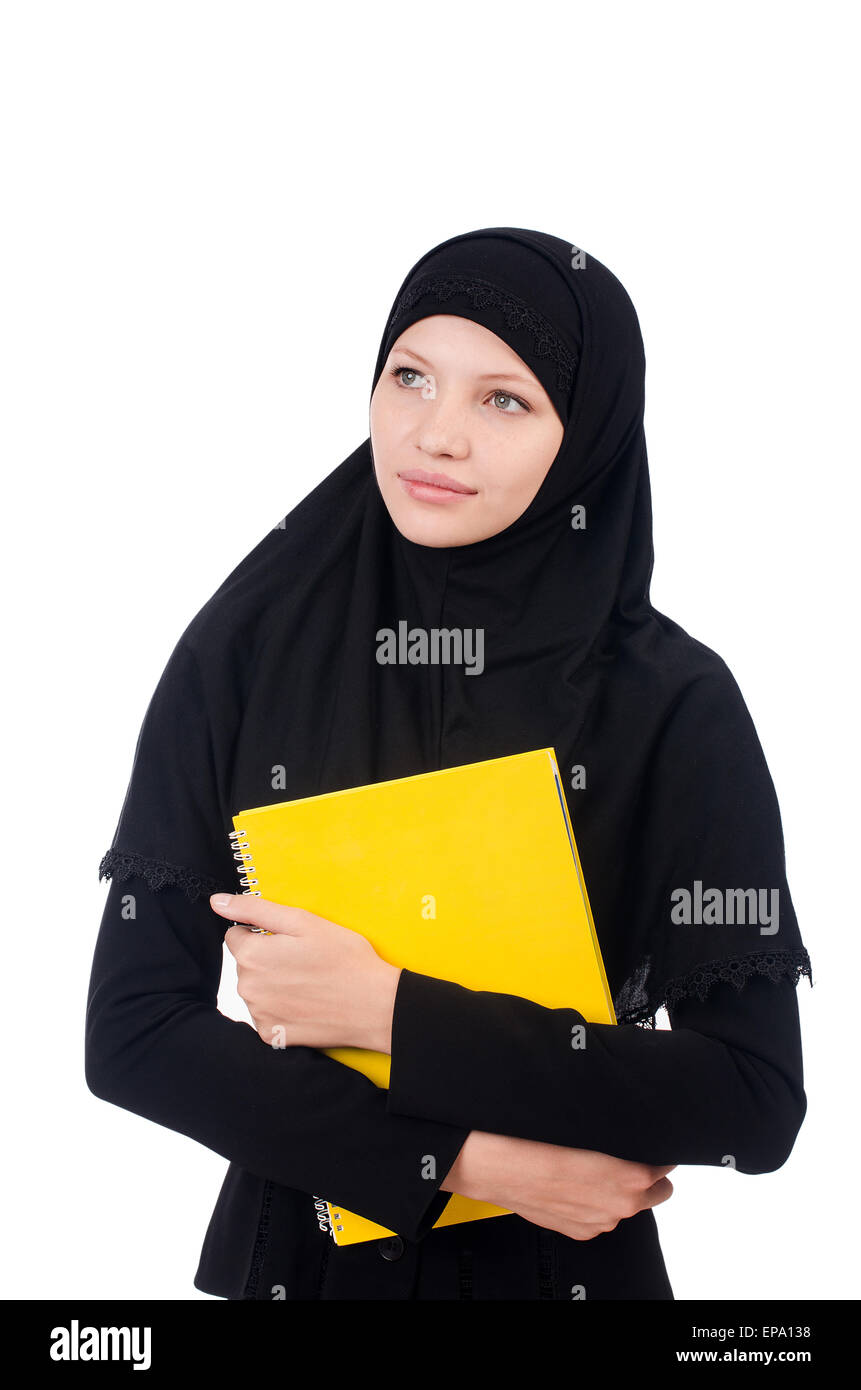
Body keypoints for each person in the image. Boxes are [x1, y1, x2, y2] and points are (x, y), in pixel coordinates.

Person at [86, 226, 813, 1300]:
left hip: (561, 1279)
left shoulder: (674, 705)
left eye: (503, 400)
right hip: (300, 1270)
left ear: (587, 439)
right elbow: (134, 1032)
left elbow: (752, 1098)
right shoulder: (243, 647)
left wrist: (389, 1011)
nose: (435, 435)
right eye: (409, 377)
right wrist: (468, 1163)